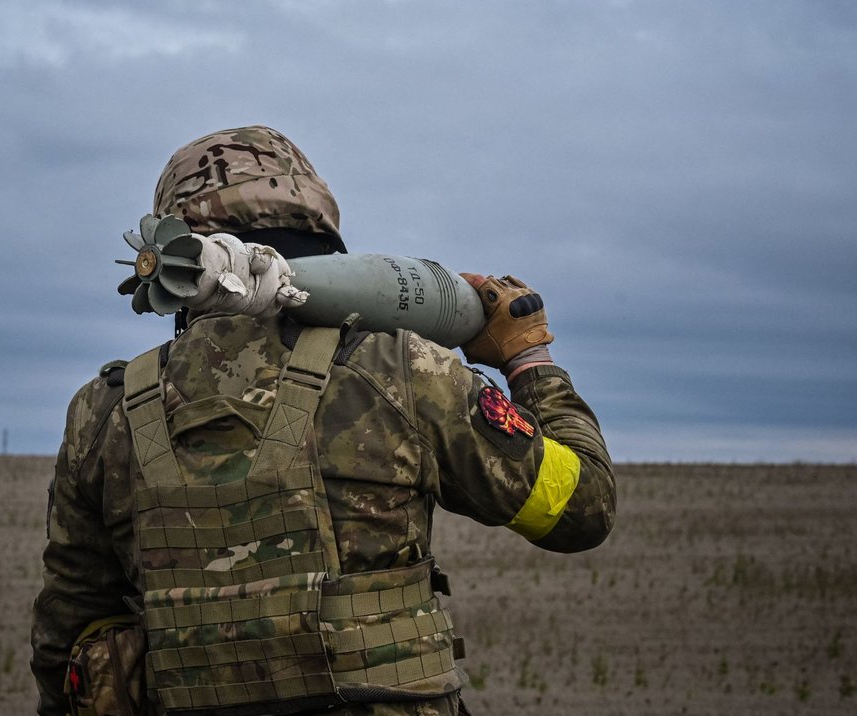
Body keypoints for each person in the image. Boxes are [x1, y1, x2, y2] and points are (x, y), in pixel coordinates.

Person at [31, 126, 616, 716]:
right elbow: (581, 509)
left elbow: (69, 631)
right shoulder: (402, 372)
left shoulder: (103, 411)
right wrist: (529, 358)